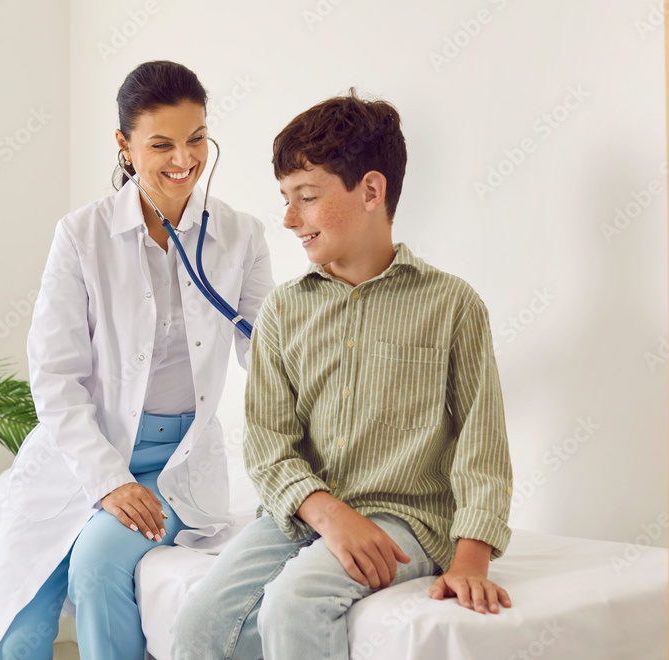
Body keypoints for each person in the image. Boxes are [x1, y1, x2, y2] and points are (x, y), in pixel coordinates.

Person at [171, 91, 513, 659]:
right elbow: (268, 442)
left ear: (372, 192)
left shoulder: (452, 305)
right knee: (199, 625)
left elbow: (483, 445)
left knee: (294, 605)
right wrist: (326, 513)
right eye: (285, 198)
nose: (288, 218)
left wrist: (471, 557)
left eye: (306, 197)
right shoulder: (283, 310)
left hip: (405, 518)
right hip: (304, 512)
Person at [0, 60, 274, 660]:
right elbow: (55, 376)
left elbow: (265, 349)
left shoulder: (241, 235)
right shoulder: (83, 235)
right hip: (83, 451)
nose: (183, 160)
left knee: (98, 564)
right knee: (19, 616)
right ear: (125, 147)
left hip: (175, 460)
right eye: (162, 144)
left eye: (196, 139)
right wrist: (108, 480)